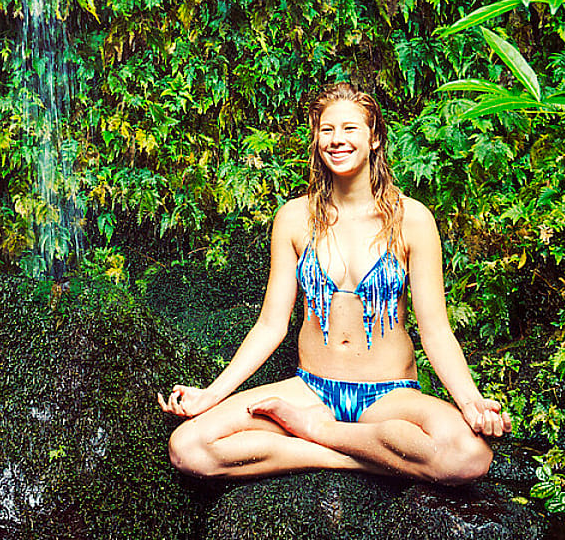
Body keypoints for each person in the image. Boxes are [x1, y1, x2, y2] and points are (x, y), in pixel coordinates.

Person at [157, 82, 511, 483]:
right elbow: (272, 325)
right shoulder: (294, 218)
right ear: (315, 137)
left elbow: (435, 330)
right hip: (310, 390)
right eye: (327, 130)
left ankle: (320, 433)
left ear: (374, 137)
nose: (337, 140)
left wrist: (472, 402)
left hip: (388, 395)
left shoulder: (412, 220)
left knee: (468, 456)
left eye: (350, 129)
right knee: (188, 447)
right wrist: (211, 394)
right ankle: (354, 456)